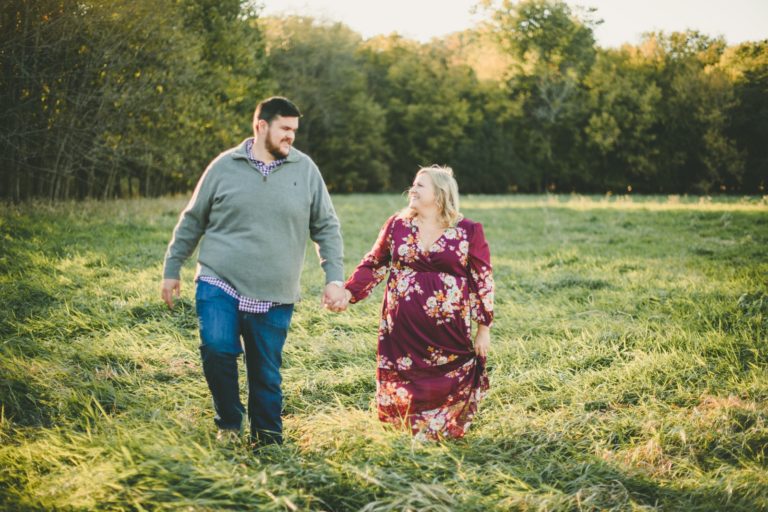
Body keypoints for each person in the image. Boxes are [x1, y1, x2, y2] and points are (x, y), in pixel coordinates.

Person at [161, 96, 347, 446]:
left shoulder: (305, 170)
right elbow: (193, 219)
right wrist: (173, 267)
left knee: (265, 374)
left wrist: (334, 278)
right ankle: (229, 424)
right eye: (285, 129)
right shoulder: (224, 166)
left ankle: (268, 442)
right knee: (217, 348)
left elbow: (326, 226)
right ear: (261, 126)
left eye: (295, 130)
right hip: (220, 278)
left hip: (275, 291)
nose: (291, 136)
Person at [339, 165, 494, 440]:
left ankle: (441, 431)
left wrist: (484, 328)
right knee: (405, 376)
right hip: (400, 326)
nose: (412, 189)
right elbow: (374, 263)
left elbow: (482, 279)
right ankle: (407, 432)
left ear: (440, 193)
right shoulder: (397, 225)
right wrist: (349, 292)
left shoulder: (468, 230)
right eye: (413, 184)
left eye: (420, 185)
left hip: (448, 328)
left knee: (445, 374)